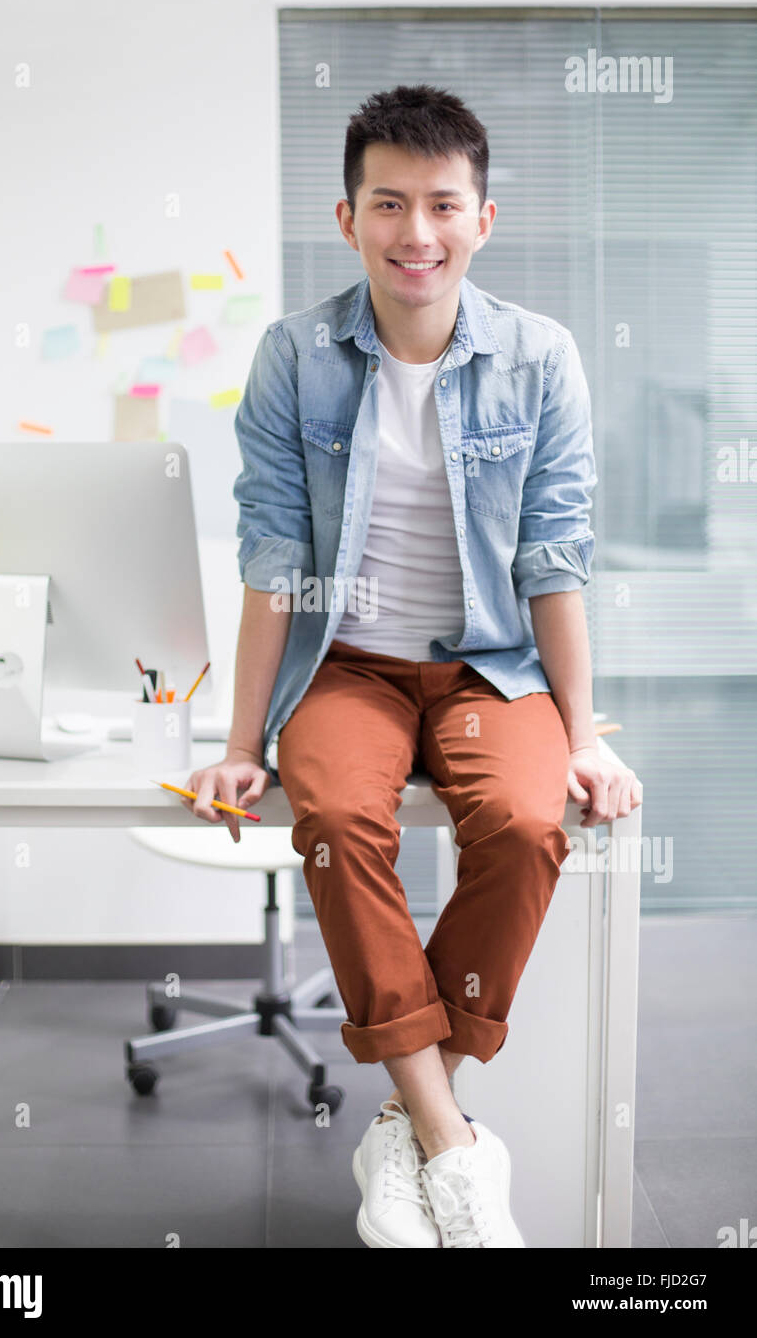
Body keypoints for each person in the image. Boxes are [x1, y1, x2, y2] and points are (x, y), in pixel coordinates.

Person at [180, 83, 642, 1248]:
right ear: (347, 219)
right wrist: (241, 746)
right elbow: (272, 559)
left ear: (483, 219)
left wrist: (579, 733)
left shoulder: (539, 359)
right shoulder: (293, 357)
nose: (415, 232)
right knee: (335, 811)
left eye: (442, 204)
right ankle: (452, 1141)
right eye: (388, 203)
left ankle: (402, 1116)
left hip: (488, 664)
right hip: (348, 666)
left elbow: (554, 559)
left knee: (531, 820)